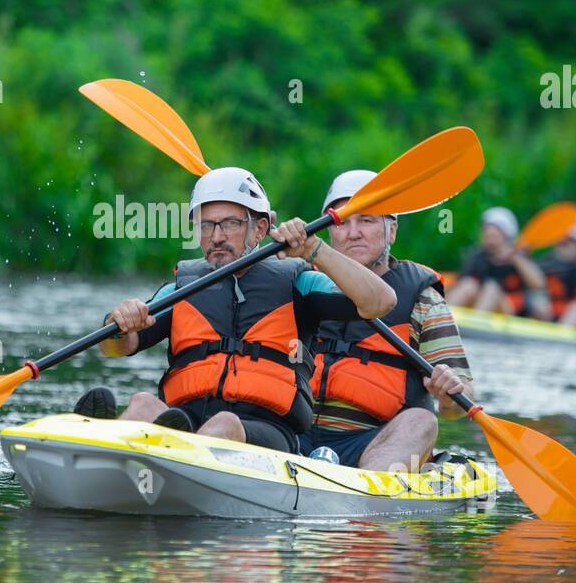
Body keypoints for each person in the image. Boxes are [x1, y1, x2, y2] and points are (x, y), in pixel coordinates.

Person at [74, 167, 397, 453]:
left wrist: (316, 249)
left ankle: (160, 449)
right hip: (185, 417)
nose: (216, 236)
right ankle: (101, 450)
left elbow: (380, 302)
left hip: (266, 433)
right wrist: (118, 324)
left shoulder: (300, 282)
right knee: (143, 404)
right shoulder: (182, 286)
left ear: (259, 229)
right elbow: (118, 348)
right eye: (206, 225)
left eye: (229, 224)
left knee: (225, 423)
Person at [301, 170, 474, 472]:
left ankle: (368, 496)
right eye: (341, 221)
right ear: (329, 232)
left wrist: (449, 393)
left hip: (375, 443)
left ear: (391, 231)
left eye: (366, 220)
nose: (353, 232)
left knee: (422, 421)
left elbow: (460, 403)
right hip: (294, 436)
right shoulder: (301, 284)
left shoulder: (423, 299)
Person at [446, 207, 547, 316]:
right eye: (486, 231)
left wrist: (514, 257)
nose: (488, 235)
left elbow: (539, 284)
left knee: (491, 289)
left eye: (494, 233)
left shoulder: (519, 257)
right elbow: (461, 283)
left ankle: (475, 327)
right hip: (479, 303)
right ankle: (439, 322)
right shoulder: (478, 256)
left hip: (511, 311)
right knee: (468, 285)